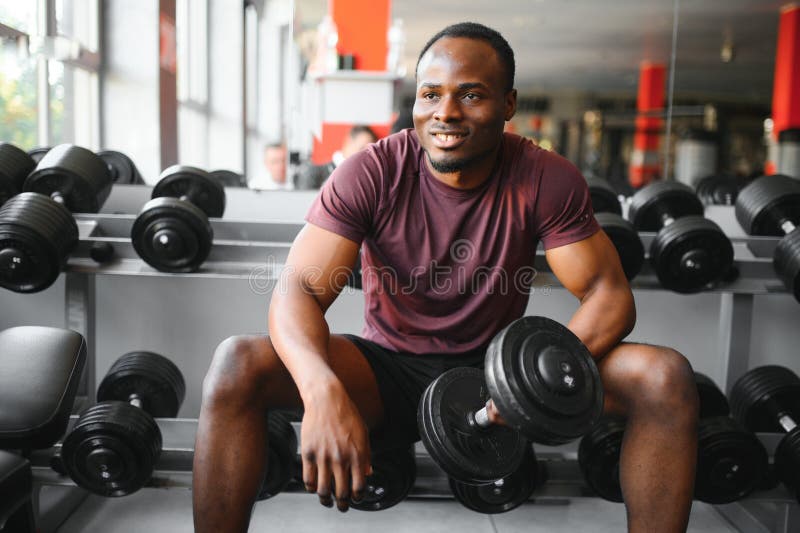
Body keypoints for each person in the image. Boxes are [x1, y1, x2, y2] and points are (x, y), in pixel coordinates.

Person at [193, 22, 698, 533]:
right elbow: (297, 289)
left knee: (664, 378)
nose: (446, 113)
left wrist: (524, 384)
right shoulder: (371, 173)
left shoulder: (543, 176)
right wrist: (320, 388)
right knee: (238, 364)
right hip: (385, 372)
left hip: (498, 369)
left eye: (471, 94)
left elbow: (609, 295)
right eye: (430, 94)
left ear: (508, 104)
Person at [295, 125, 378, 189]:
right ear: (348, 143)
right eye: (361, 149)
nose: (365, 157)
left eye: (369, 153)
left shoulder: (368, 181)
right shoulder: (313, 172)